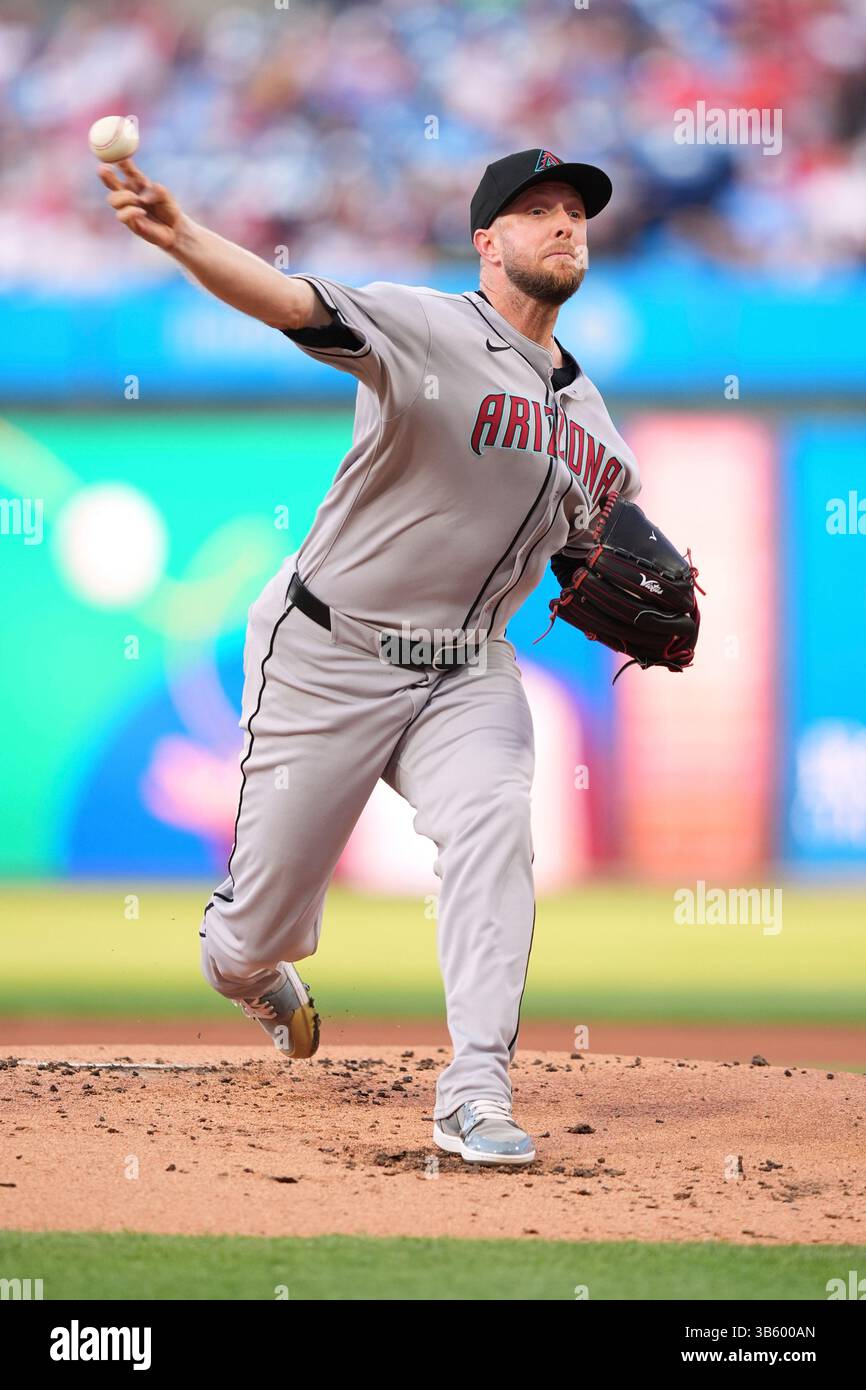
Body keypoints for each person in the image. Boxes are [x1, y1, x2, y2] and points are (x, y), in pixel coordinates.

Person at [99, 147, 640, 1166]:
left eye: (574, 210)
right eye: (536, 210)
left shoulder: (599, 433)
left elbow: (596, 554)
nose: (563, 223)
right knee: (243, 939)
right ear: (487, 242)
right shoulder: (424, 327)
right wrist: (185, 239)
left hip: (465, 671)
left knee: (491, 825)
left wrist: (650, 579)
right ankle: (257, 971)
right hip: (328, 653)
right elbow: (292, 302)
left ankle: (474, 1090)